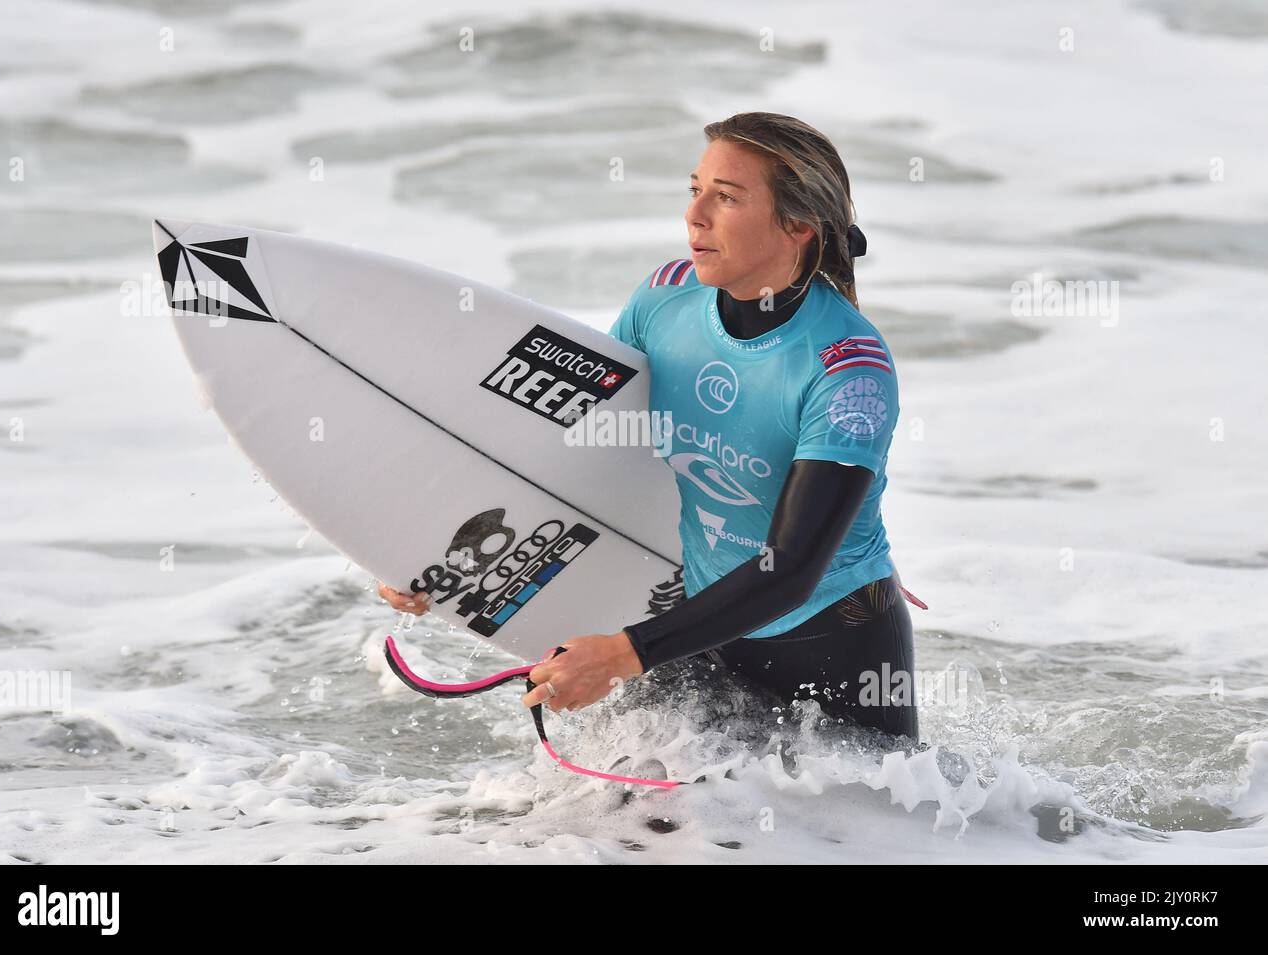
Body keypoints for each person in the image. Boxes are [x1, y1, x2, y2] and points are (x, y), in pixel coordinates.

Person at [383, 112, 919, 742]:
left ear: (798, 226)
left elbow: (793, 568)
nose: (695, 216)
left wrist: (622, 654)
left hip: (832, 645)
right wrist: (436, 549)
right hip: (689, 620)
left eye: (727, 197)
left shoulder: (848, 370)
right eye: (696, 189)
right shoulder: (664, 300)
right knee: (637, 831)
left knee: (864, 832)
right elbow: (577, 445)